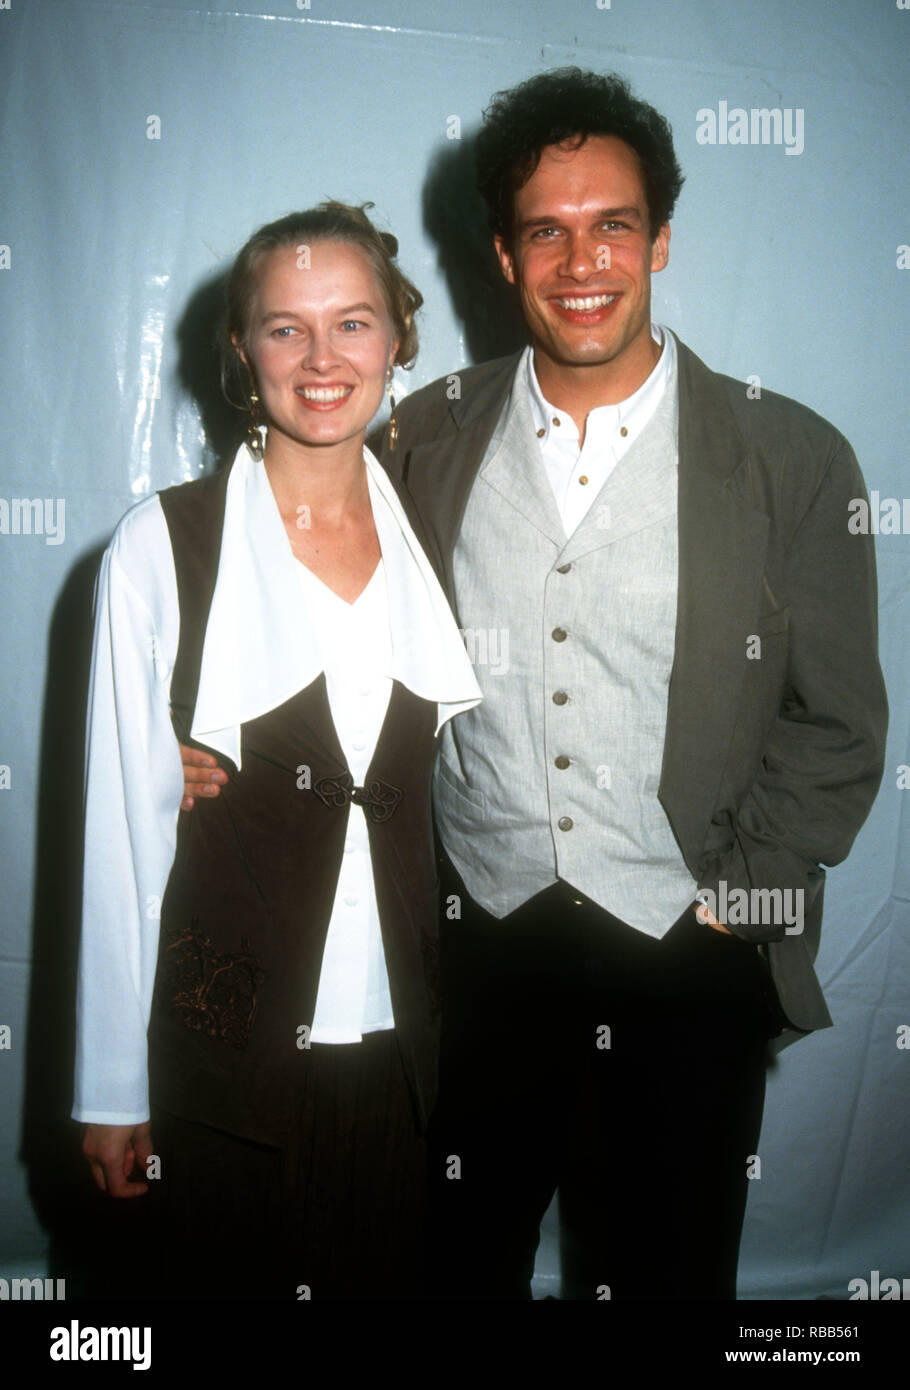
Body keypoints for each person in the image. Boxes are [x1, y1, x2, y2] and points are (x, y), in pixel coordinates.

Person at [181, 70, 888, 1301]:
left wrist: (739, 906)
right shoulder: (426, 431)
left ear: (661, 238)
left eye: (612, 223)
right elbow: (286, 553)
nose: (582, 261)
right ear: (502, 257)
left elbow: (838, 726)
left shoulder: (792, 454)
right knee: (454, 1268)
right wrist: (186, 727)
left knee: (670, 1276)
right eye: (545, 231)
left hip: (689, 946)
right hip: (476, 943)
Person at [73, 201, 481, 1301]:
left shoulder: (433, 533)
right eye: (284, 326)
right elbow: (118, 833)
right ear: (241, 351)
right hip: (223, 1069)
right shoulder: (161, 545)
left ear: (397, 340)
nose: (320, 357)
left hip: (406, 1059)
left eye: (352, 323)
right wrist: (111, 1088)